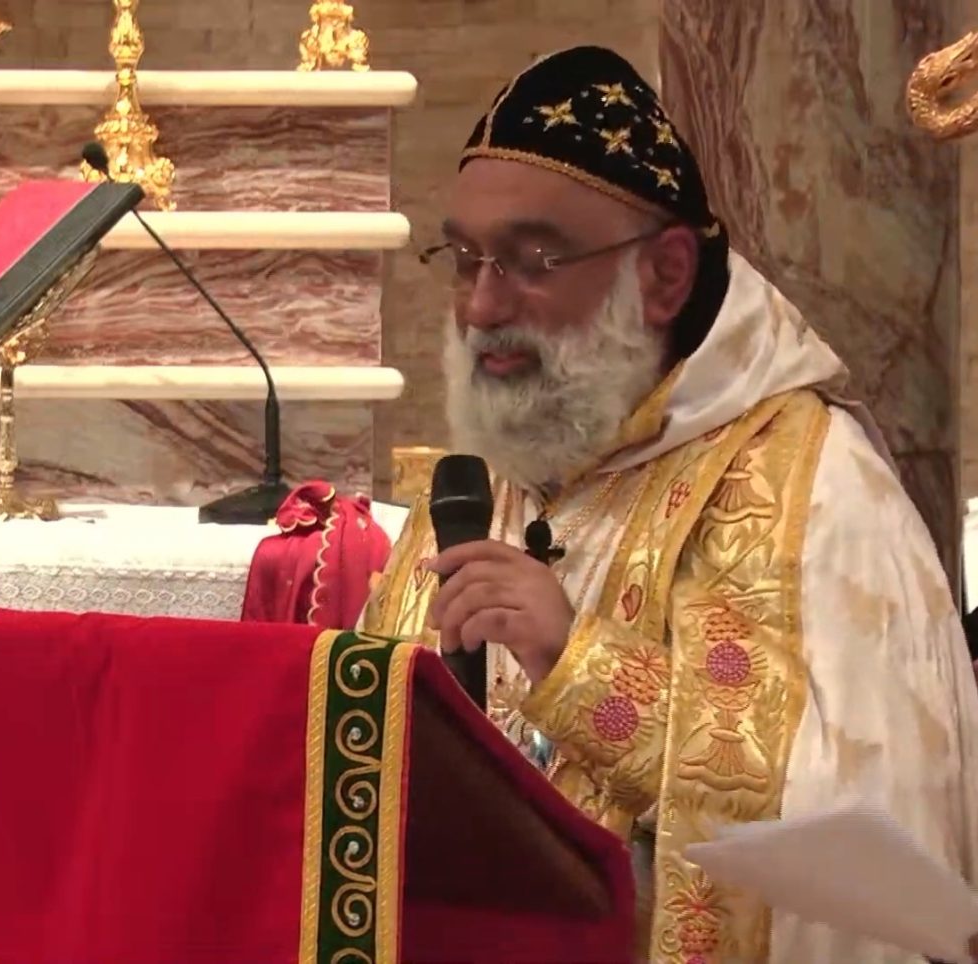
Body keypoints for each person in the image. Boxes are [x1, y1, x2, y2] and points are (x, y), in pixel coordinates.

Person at [361, 45, 978, 962]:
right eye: (463, 258)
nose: (482, 305)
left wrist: (579, 666)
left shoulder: (817, 488)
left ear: (666, 275)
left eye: (531, 259)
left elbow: (877, 864)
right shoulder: (475, 487)